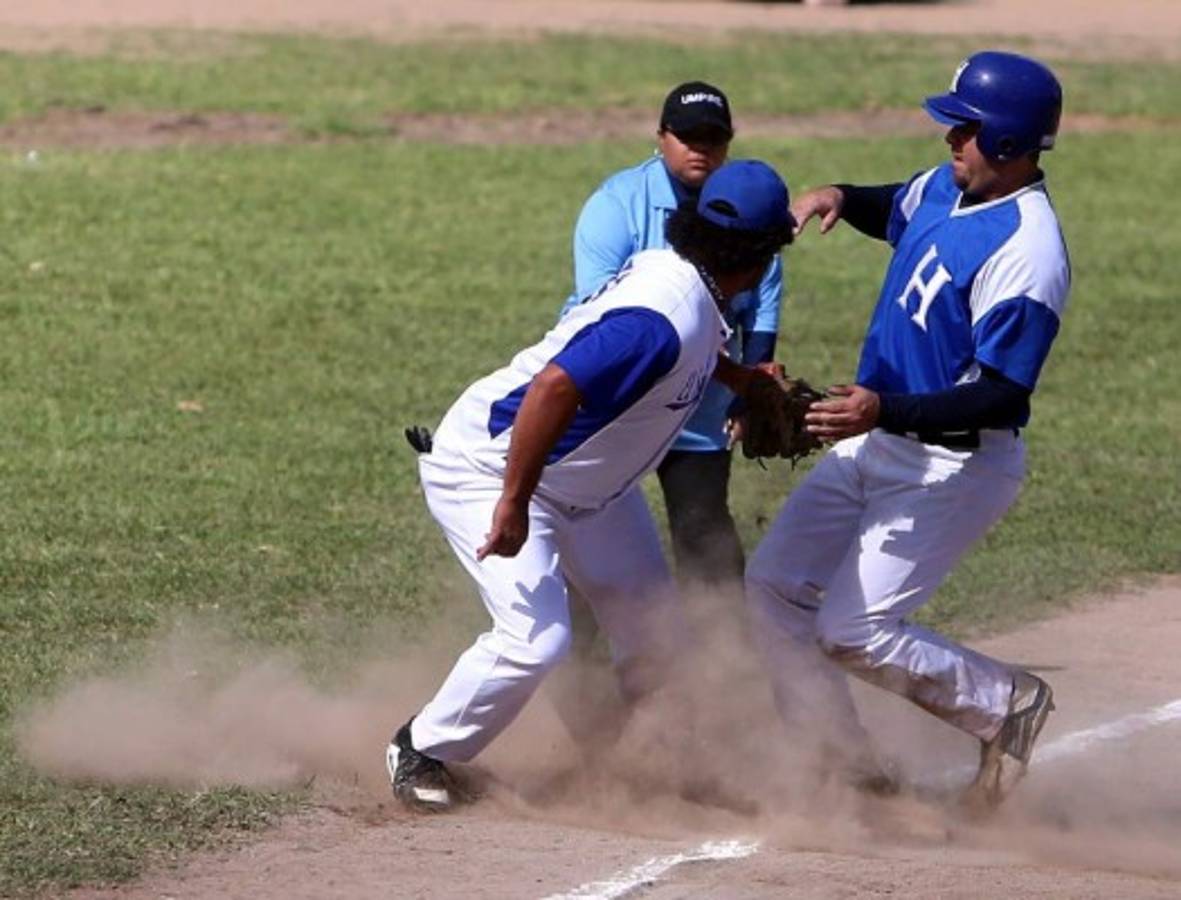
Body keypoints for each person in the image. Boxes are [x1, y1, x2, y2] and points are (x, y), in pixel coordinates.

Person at [388, 160, 796, 811]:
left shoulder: (684, 284)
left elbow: (678, 351)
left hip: (586, 489)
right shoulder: (664, 314)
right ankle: (421, 747)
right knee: (535, 639)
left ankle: (642, 762)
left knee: (655, 631)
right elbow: (554, 386)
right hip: (492, 472)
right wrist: (514, 502)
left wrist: (738, 379)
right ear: (759, 257)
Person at [744, 51, 1069, 805]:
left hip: (950, 469)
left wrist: (881, 408)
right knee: (771, 588)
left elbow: (999, 395)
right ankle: (842, 762)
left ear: (1009, 144)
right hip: (875, 438)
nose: (948, 139)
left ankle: (1005, 704)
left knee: (852, 629)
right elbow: (894, 204)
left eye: (963, 129)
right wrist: (836, 194)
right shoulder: (949, 186)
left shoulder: (1028, 251)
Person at [562, 81, 784, 586]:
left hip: (699, 402)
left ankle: (722, 654)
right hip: (614, 401)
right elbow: (602, 322)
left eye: (713, 137)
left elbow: (763, 308)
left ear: (729, 142)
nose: (700, 148)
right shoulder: (615, 205)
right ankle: (585, 660)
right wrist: (738, 377)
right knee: (590, 532)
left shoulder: (748, 209)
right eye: (687, 136)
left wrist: (753, 388)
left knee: (703, 529)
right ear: (660, 136)